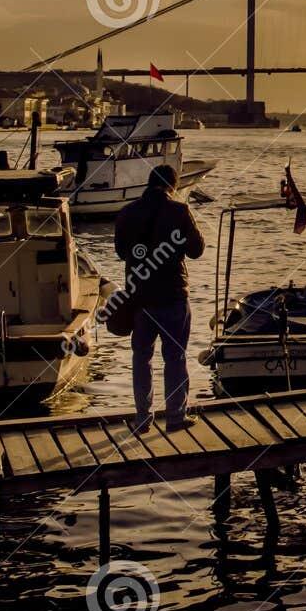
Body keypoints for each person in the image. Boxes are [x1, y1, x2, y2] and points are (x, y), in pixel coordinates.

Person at [115, 164, 204, 433]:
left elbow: (121, 252)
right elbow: (197, 249)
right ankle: (176, 417)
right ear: (172, 186)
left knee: (142, 357)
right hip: (173, 295)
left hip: (140, 299)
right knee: (174, 357)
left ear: (149, 182)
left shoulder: (127, 212)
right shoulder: (179, 210)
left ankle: (142, 418)